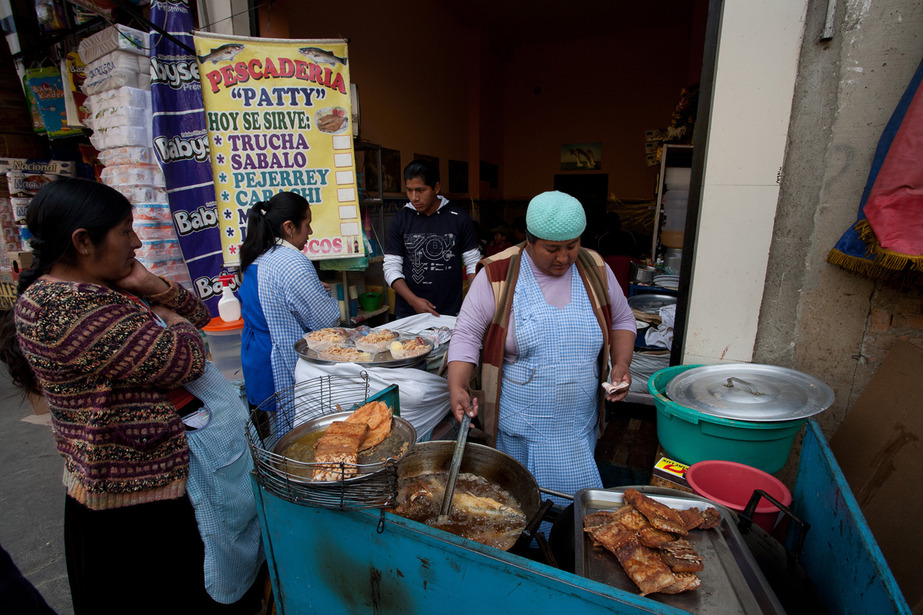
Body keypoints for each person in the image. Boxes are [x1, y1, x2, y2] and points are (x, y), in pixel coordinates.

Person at [0, 178, 262, 614]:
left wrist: (152, 287)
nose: (136, 241)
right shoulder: (57, 306)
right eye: (125, 230)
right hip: (130, 499)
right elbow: (183, 359)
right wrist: (172, 319)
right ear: (83, 241)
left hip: (166, 475)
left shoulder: (109, 284)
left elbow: (199, 313)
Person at [446, 191, 637, 505]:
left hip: (577, 429)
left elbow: (622, 319)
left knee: (572, 516)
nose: (563, 258)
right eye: (552, 249)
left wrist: (621, 364)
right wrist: (458, 385)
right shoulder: (498, 275)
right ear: (529, 240)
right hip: (519, 430)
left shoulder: (595, 268)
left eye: (572, 246)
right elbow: (466, 335)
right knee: (522, 508)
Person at [239, 191, 340, 418]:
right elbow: (324, 320)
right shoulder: (292, 261)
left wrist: (312, 289)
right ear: (289, 227)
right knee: (293, 428)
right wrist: (327, 297)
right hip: (279, 360)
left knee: (276, 429)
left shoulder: (257, 255)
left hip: (256, 356)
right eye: (307, 224)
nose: (310, 232)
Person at [384, 159, 480, 318]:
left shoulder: (458, 218)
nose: (414, 197)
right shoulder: (400, 220)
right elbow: (391, 267)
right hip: (409, 312)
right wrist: (413, 300)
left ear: (436, 187)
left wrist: (476, 301)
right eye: (409, 190)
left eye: (420, 190)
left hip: (449, 312)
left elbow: (472, 264)